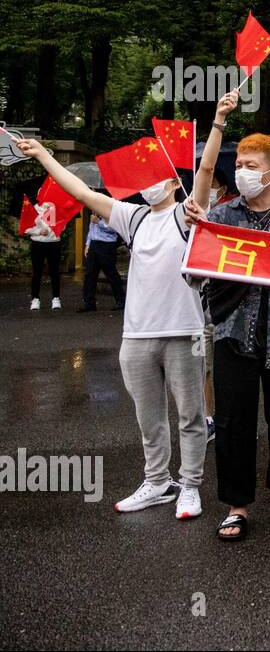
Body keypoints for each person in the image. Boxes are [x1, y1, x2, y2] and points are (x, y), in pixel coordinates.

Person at [16, 137, 208, 520]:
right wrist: (42, 155)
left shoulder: (187, 214)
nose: (151, 184)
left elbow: (203, 172)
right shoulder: (131, 217)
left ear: (174, 183)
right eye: (146, 178)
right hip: (136, 336)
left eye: (160, 178)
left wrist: (218, 123)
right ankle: (157, 482)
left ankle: (189, 486)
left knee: (191, 415)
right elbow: (82, 191)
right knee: (148, 417)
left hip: (185, 331)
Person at [190, 91, 270, 542]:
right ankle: (237, 504)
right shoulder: (222, 216)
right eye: (240, 164)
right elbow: (199, 262)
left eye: (251, 165)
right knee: (232, 420)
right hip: (232, 331)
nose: (243, 171)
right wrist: (219, 121)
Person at [201, 167, 232, 438]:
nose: (208, 188)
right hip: (196, 310)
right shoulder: (190, 215)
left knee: (225, 368)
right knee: (203, 367)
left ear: (222, 188)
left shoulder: (230, 216)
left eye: (212, 184)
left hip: (223, 309)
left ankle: (229, 417)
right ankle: (208, 418)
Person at [79, 203, 126, 312]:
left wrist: (98, 222)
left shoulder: (110, 211)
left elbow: (114, 228)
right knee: (90, 274)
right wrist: (88, 244)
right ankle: (89, 303)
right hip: (94, 244)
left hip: (106, 245)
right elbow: (91, 229)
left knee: (111, 273)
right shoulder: (94, 211)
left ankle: (121, 301)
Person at [26, 199, 62, 310]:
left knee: (55, 272)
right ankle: (35, 299)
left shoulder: (56, 208)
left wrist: (57, 227)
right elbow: (25, 228)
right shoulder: (33, 209)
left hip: (54, 243)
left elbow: (62, 226)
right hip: (38, 244)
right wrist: (38, 231)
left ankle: (56, 298)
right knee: (37, 272)